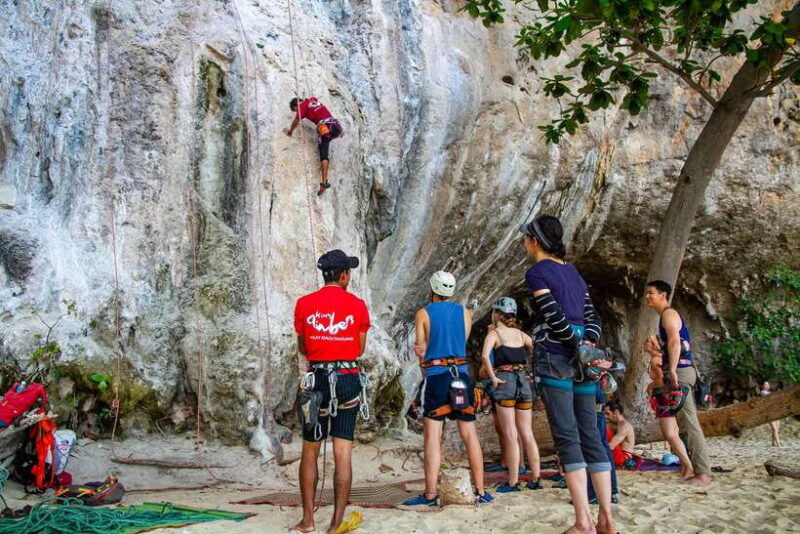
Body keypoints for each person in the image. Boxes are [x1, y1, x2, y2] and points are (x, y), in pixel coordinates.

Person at [521, 215, 615, 534]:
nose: (525, 243)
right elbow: (592, 315)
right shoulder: (573, 272)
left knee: (567, 437)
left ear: (535, 241)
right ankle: (606, 519)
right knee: (592, 436)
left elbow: (552, 314)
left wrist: (575, 345)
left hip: (556, 358)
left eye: (527, 237)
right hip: (584, 363)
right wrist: (587, 345)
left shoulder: (537, 272)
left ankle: (583, 522)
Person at [291, 249, 370, 534]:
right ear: (344, 275)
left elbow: (303, 347)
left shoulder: (304, 304)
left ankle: (308, 521)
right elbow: (359, 349)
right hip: (348, 379)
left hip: (317, 382)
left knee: (310, 449)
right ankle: (336, 523)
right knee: (342, 453)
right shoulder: (358, 305)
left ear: (325, 275)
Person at [402, 271, 492, 507]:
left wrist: (425, 360)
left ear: (432, 289)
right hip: (461, 377)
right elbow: (461, 341)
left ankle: (430, 495)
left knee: (432, 437)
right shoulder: (465, 313)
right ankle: (481, 491)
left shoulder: (423, 314)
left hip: (437, 377)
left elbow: (421, 349)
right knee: (469, 435)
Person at [644, 280, 712, 485]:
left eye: (651, 293)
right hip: (679, 372)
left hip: (680, 372)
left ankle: (703, 473)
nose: (647, 297)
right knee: (684, 424)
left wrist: (672, 370)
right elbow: (670, 346)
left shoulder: (669, 314)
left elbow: (675, 341)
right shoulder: (665, 316)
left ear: (663, 295)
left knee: (689, 423)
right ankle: (696, 469)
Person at [479, 296, 542, 492]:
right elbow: (538, 349)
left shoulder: (495, 334)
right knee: (527, 433)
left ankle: (513, 482)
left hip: (505, 381)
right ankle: (536, 478)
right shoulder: (521, 334)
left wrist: (493, 377)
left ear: (497, 314)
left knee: (510, 433)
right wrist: (533, 374)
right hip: (523, 382)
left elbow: (484, 356)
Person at [642, 346, 695, 479]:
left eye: (648, 342)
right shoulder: (662, 358)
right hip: (666, 397)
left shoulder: (656, 360)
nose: (645, 344)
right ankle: (686, 464)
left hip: (662, 398)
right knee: (674, 433)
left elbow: (661, 379)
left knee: (670, 434)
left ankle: (687, 465)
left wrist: (650, 386)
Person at [284, 97, 343, 195]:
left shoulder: (301, 106)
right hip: (335, 125)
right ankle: (324, 183)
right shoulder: (313, 99)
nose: (297, 112)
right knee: (324, 150)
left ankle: (324, 182)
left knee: (323, 155)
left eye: (295, 110)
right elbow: (317, 109)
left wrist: (290, 132)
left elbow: (296, 120)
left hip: (324, 128)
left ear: (296, 105)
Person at [587, 390, 619, 504]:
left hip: (589, 404)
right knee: (602, 447)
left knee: (593, 448)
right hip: (596, 403)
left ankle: (594, 493)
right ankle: (611, 492)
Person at [760, 381, 781, 447]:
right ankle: (778, 444)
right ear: (763, 386)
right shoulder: (763, 392)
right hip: (769, 413)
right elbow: (769, 398)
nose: (767, 386)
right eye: (765, 385)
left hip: (775, 412)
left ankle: (773, 443)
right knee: (775, 429)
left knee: (776, 429)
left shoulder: (770, 393)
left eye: (768, 385)